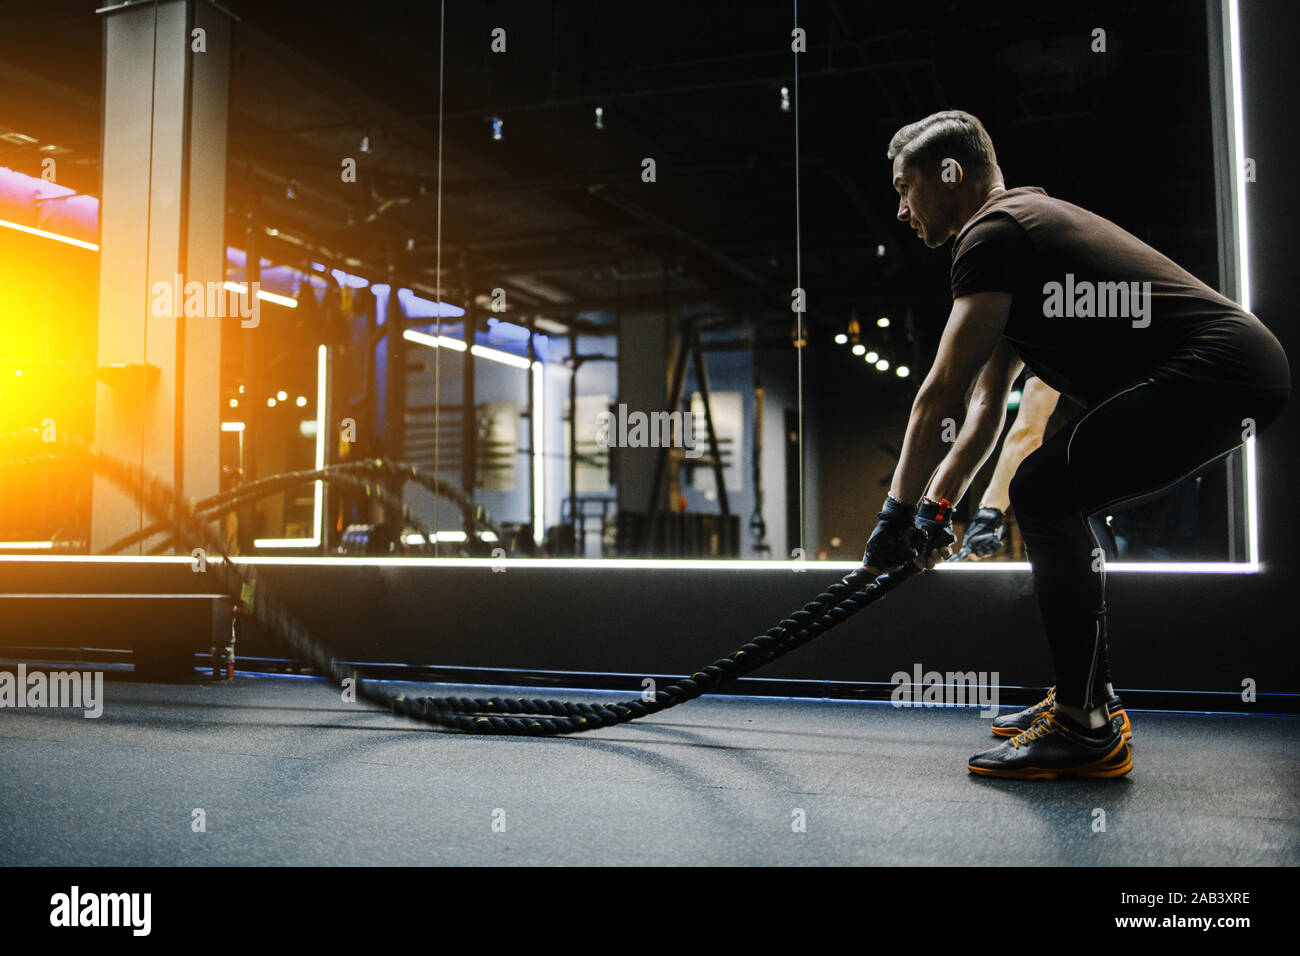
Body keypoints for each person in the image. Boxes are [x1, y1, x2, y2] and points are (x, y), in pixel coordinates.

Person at [862, 110, 1290, 779]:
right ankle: (1087, 704)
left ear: (950, 175)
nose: (899, 209)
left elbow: (939, 393)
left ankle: (1085, 724)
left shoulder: (993, 234)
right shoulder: (1016, 238)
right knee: (1053, 490)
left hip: (1221, 367)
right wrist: (934, 511)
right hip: (1237, 372)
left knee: (1043, 491)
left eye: (902, 187)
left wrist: (892, 517)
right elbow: (980, 411)